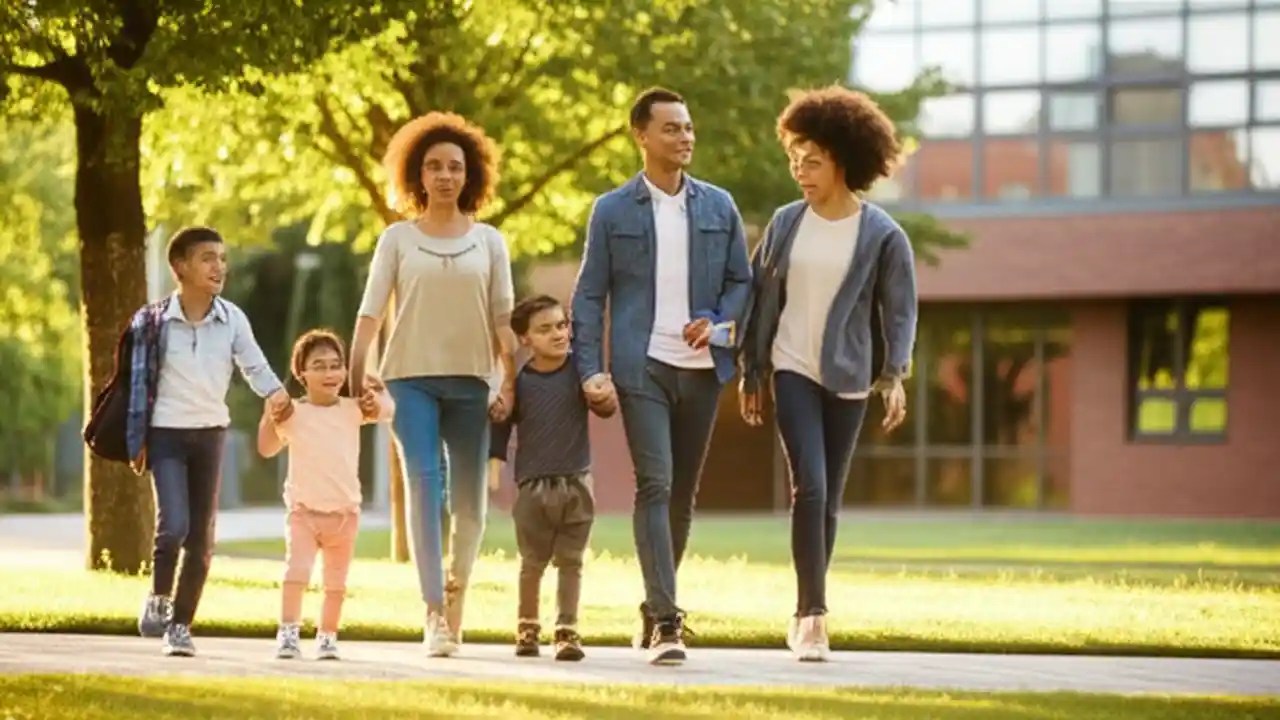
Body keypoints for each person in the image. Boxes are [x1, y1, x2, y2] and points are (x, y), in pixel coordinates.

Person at [571, 87, 752, 665]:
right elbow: (589, 295)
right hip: (641, 365)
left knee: (681, 495)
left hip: (703, 370)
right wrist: (590, 369)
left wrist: (719, 323)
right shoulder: (612, 210)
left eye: (689, 127)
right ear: (641, 136)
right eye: (672, 128)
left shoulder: (719, 206)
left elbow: (742, 282)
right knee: (655, 483)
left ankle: (653, 605)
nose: (686, 137)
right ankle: (669, 622)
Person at [738, 85, 917, 662]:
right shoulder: (788, 223)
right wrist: (750, 368)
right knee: (809, 485)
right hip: (791, 367)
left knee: (829, 498)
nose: (801, 172)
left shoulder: (883, 234)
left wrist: (894, 375)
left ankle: (807, 606)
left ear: (843, 158)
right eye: (795, 161)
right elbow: (756, 298)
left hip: (848, 378)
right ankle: (812, 616)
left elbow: (900, 310)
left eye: (811, 161)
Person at [350, 111, 517, 657]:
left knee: (470, 504)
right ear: (416, 176)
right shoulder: (397, 239)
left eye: (454, 167)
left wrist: (509, 381)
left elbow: (502, 319)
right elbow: (372, 311)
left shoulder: (490, 241)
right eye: (433, 167)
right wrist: (358, 374)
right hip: (409, 381)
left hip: (473, 382)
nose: (444, 175)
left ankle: (456, 597)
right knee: (425, 486)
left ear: (470, 176)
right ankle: (432, 614)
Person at [133, 226, 293, 657]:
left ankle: (180, 626)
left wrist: (278, 394)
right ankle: (159, 596)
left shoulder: (232, 319)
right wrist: (137, 440)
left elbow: (254, 365)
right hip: (165, 432)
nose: (218, 266)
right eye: (207, 258)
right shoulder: (152, 322)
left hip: (210, 434)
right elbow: (135, 387)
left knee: (201, 538)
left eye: (222, 258)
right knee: (174, 525)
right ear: (180, 267)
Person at [489, 295, 615, 662]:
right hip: (532, 486)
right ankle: (527, 627)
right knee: (532, 562)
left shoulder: (580, 372)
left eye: (562, 325)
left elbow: (605, 409)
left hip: (576, 482)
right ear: (525, 339)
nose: (559, 334)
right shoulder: (520, 382)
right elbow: (502, 421)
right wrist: (494, 456)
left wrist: (604, 397)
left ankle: (567, 630)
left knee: (571, 561)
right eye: (545, 329)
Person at [257, 329, 394, 661]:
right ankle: (288, 633)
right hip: (303, 512)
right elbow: (266, 448)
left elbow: (387, 411)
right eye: (319, 366)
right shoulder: (295, 413)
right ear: (301, 373)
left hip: (344, 515)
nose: (330, 373)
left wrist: (376, 389)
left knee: (336, 584)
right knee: (296, 574)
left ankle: (327, 637)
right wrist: (269, 415)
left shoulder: (353, 408)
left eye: (336, 365)